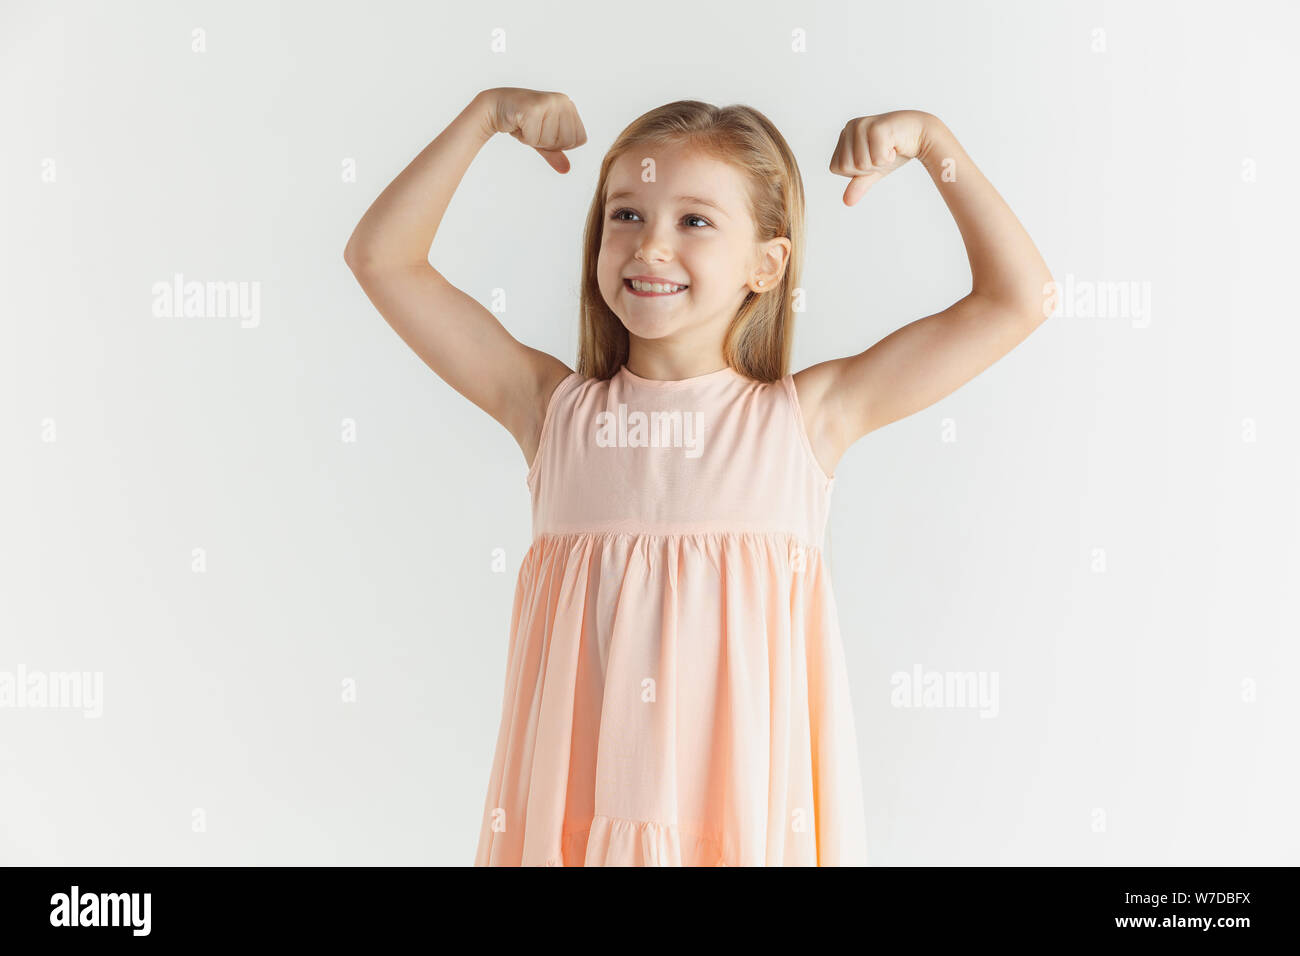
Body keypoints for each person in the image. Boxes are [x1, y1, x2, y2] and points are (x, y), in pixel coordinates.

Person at [343, 87, 1053, 866]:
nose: (649, 245)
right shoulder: (553, 412)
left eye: (694, 220)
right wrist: (483, 117)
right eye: (626, 215)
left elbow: (1017, 299)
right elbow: (381, 259)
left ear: (766, 264)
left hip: (740, 831)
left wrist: (931, 140)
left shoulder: (805, 421)